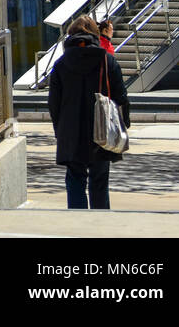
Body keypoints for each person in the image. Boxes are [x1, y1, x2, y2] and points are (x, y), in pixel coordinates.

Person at [49, 15, 130, 210]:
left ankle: (79, 226)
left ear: (71, 36)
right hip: (101, 130)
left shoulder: (60, 64)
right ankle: (99, 226)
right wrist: (123, 125)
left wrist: (60, 131)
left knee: (75, 180)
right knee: (99, 180)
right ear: (95, 34)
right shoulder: (107, 61)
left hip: (71, 131)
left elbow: (54, 103)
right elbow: (121, 97)